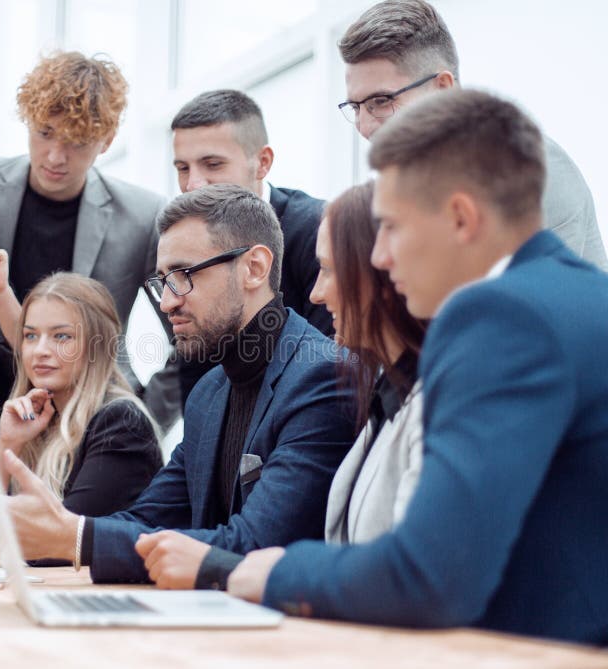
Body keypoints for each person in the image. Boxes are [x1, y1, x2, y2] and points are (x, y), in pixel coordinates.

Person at [227, 90, 608, 646]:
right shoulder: (582, 297)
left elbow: (430, 575)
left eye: (393, 226)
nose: (379, 256)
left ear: (460, 218)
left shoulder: (499, 316)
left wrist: (271, 572)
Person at [0, 184, 355, 584]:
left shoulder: (321, 376)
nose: (167, 301)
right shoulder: (210, 393)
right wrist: (45, 527)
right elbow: (147, 519)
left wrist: (70, 534)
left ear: (254, 268)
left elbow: (252, 546)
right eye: (163, 280)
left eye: (183, 275)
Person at [135, 181, 427, 589]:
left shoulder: (331, 378)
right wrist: (70, 535)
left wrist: (225, 566)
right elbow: (149, 519)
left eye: (329, 269)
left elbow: (409, 572)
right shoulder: (209, 392)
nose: (316, 293)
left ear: (388, 269)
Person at [0, 51, 179, 431]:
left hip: (90, 420)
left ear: (106, 141)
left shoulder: (142, 215)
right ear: (28, 122)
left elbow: (187, 335)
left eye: (78, 142)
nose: (56, 156)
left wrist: (144, 420)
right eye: (45, 133)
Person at [336, 0, 608, 270]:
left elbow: (534, 307)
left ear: (442, 88)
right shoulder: (408, 192)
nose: (365, 126)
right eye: (356, 107)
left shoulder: (530, 169)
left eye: (381, 101)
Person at [0, 272, 162, 524]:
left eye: (61, 336)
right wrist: (7, 443)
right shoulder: (40, 421)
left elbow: (57, 539)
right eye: (30, 336)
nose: (40, 351)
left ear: (96, 346)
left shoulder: (120, 422)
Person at [170, 90, 332, 405]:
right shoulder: (183, 245)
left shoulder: (317, 231)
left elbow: (329, 362)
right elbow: (193, 366)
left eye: (212, 164)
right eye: (182, 168)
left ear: (262, 163)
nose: (193, 184)